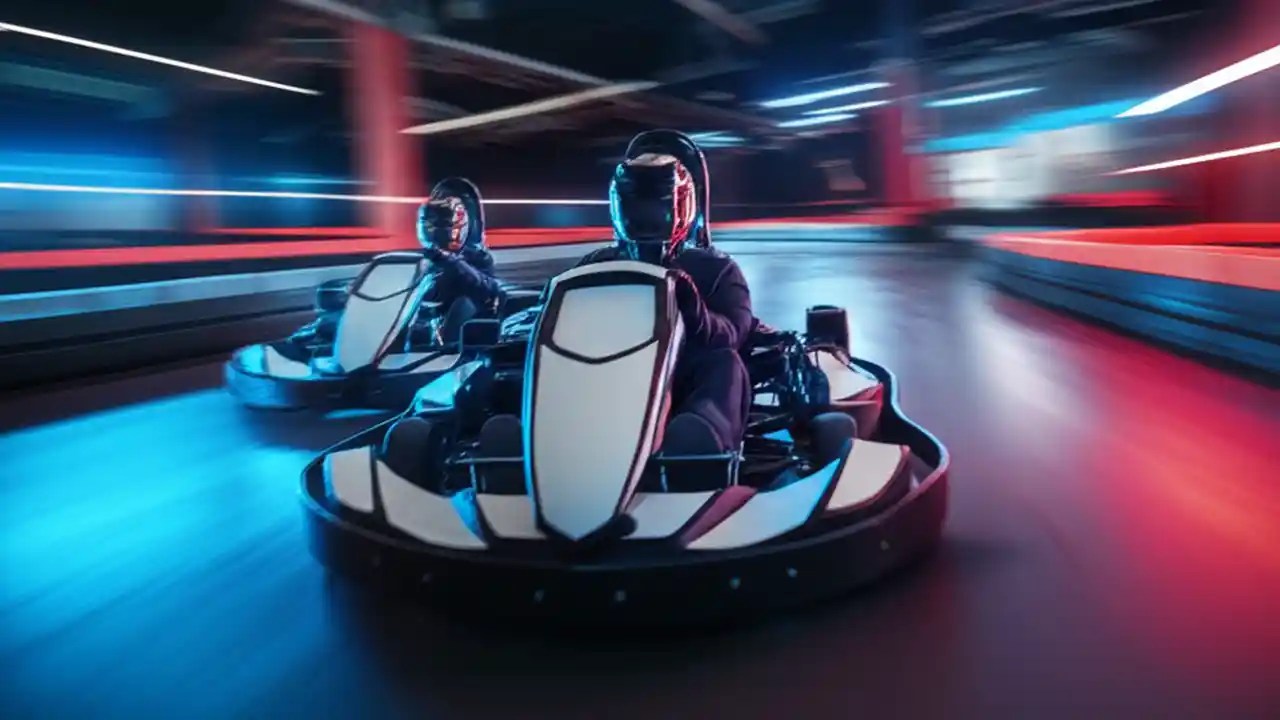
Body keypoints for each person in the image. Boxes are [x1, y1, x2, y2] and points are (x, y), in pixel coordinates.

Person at [577, 130, 753, 455]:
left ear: (681, 207)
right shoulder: (594, 267)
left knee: (725, 362)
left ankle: (702, 441)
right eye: (638, 210)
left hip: (682, 377)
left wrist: (693, 309)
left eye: (654, 210)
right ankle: (535, 439)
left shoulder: (717, 270)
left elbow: (735, 333)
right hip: (605, 373)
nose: (646, 220)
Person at [415, 177, 505, 344]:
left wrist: (450, 262)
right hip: (428, 327)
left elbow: (489, 289)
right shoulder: (424, 261)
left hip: (463, 340)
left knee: (464, 304)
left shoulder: (478, 257)